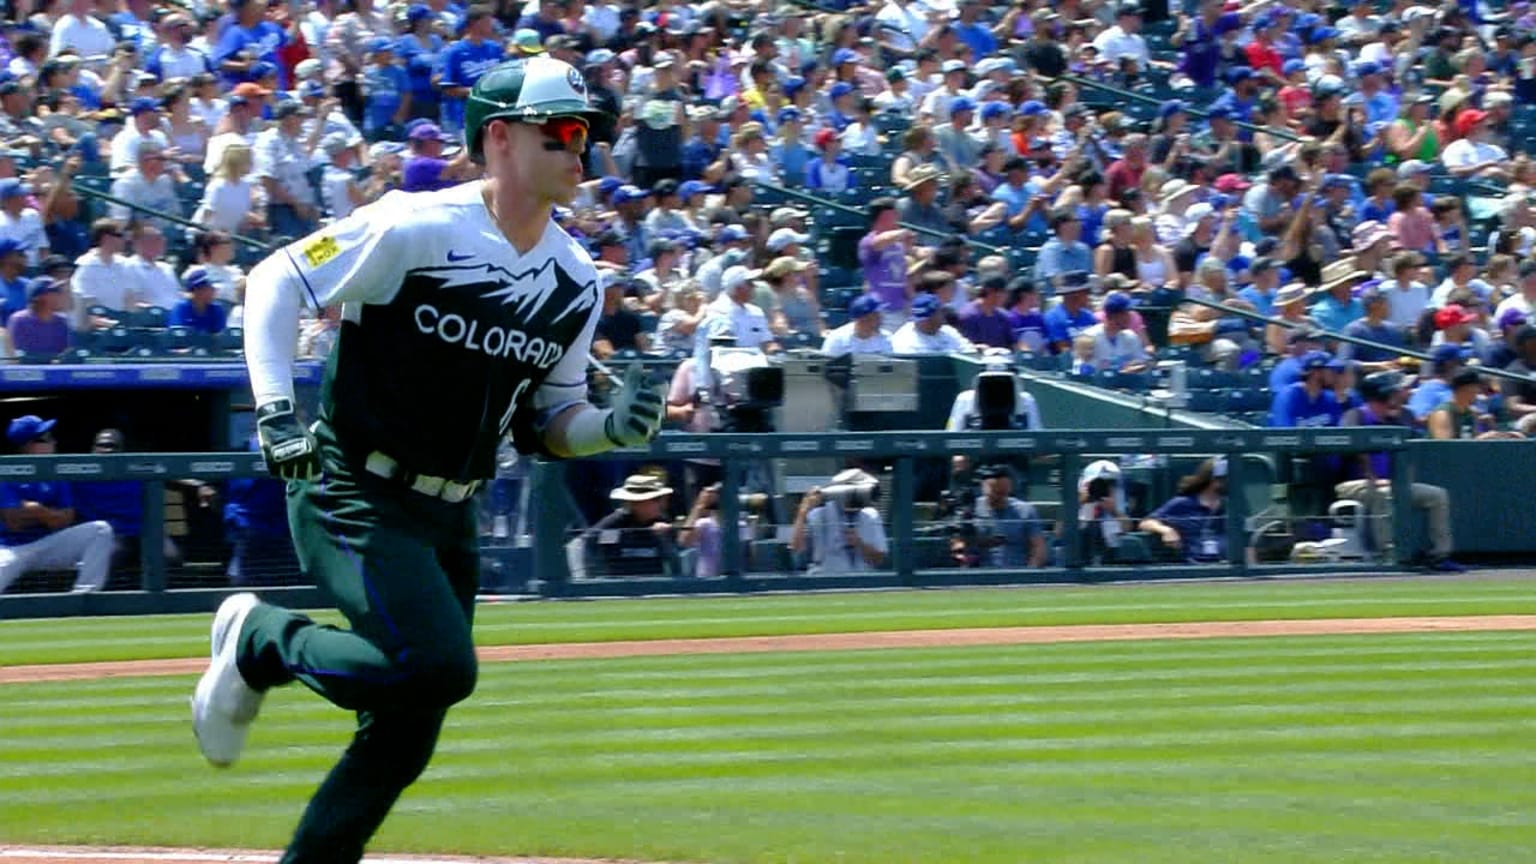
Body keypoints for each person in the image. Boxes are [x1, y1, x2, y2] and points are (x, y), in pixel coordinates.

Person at [191, 56, 664, 864]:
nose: (585, 149)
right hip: (352, 483)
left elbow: (552, 422)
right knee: (440, 666)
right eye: (569, 130)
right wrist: (276, 409)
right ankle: (262, 639)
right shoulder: (417, 223)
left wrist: (612, 431)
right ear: (502, 137)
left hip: (453, 513)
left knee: (407, 732)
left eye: (592, 135)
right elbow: (275, 280)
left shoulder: (577, 279)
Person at [1336, 371, 1462, 571]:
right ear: (1380, 396)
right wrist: (1375, 479)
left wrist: (1400, 481)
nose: (1396, 398)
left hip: (1393, 482)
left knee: (1437, 495)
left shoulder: (1400, 417)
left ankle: (1438, 555)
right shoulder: (1356, 415)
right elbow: (1357, 450)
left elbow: (1414, 445)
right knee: (1385, 494)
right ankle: (1388, 555)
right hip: (1355, 483)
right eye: (1391, 394)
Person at [0, 415, 114, 595]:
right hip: (11, 549)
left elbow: (65, 519)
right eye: (46, 438)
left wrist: (34, 509)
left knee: (100, 530)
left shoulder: (55, 470)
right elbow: (13, 522)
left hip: (49, 544)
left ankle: (84, 596)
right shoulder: (5, 472)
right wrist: (48, 514)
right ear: (28, 445)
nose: (53, 442)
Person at [789, 468, 888, 574]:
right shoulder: (819, 514)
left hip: (862, 581)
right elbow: (797, 549)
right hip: (825, 580)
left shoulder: (870, 515)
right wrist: (803, 513)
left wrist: (860, 543)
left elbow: (878, 559)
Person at [949, 464, 1048, 568]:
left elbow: (1038, 547)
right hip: (979, 574)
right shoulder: (970, 510)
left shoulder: (1025, 510)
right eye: (995, 492)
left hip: (1018, 572)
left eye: (1003, 493)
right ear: (984, 488)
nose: (1000, 497)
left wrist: (1029, 573)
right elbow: (958, 545)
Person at [583, 474, 677, 577]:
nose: (662, 504)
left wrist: (663, 538)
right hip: (620, 585)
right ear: (637, 503)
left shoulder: (662, 522)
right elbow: (590, 542)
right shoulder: (614, 523)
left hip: (654, 585)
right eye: (656, 499)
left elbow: (674, 558)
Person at [1139, 456, 1230, 563]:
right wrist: (1167, 530)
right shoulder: (1183, 503)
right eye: (1225, 479)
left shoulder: (1230, 506)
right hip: (1193, 566)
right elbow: (1146, 523)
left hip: (1226, 566)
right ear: (1213, 480)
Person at [890, 292, 973, 354]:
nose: (923, 322)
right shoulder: (904, 339)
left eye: (928, 318)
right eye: (920, 319)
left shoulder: (949, 332)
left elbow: (969, 353)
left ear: (940, 313)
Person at [821, 293, 892, 356]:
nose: (880, 319)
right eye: (875, 316)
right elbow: (826, 366)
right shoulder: (838, 339)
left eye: (879, 316)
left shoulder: (886, 338)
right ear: (861, 319)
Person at [169, 267, 228, 334]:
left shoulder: (217, 309)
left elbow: (220, 337)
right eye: (210, 289)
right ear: (197, 290)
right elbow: (178, 336)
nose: (214, 291)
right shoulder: (181, 308)